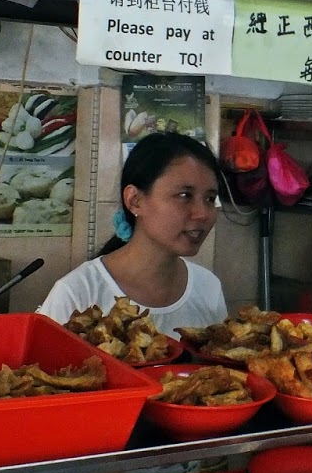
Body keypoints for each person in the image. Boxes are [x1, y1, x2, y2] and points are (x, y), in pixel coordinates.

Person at [39, 131, 227, 333]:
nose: (202, 214)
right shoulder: (77, 293)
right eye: (184, 195)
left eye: (209, 198)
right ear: (134, 200)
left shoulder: (208, 288)